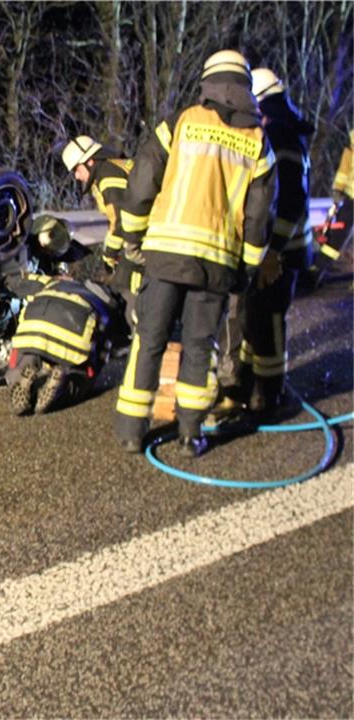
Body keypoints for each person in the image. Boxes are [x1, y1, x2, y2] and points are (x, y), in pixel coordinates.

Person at [114, 50, 276, 457]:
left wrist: (132, 239)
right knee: (199, 348)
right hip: (217, 264)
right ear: (245, 89)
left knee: (149, 340)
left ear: (207, 82)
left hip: (166, 254)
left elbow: (141, 183)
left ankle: (133, 432)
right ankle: (190, 435)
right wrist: (248, 268)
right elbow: (259, 219)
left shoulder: (181, 123)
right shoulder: (259, 142)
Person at [218, 68, 314, 413]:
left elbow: (289, 200)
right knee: (254, 317)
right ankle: (251, 386)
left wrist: (272, 250)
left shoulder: (281, 135)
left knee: (268, 320)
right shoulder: (280, 130)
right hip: (277, 248)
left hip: (281, 252)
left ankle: (270, 396)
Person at [2, 216, 129, 415]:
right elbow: (122, 339)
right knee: (81, 379)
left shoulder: (51, 282)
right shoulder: (108, 300)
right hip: (73, 332)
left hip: (33, 330)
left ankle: (23, 372)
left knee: (20, 362)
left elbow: (17, 282)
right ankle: (63, 379)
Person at [61, 135, 142, 327]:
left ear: (89, 161)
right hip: (144, 240)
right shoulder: (111, 169)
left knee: (130, 295)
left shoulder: (107, 176)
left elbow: (121, 219)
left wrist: (110, 253)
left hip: (145, 244)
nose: (77, 176)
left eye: (76, 169)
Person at [304, 128, 354, 287]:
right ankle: (316, 271)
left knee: (337, 236)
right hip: (351, 196)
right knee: (336, 237)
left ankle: (316, 270)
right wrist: (338, 190)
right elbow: (345, 167)